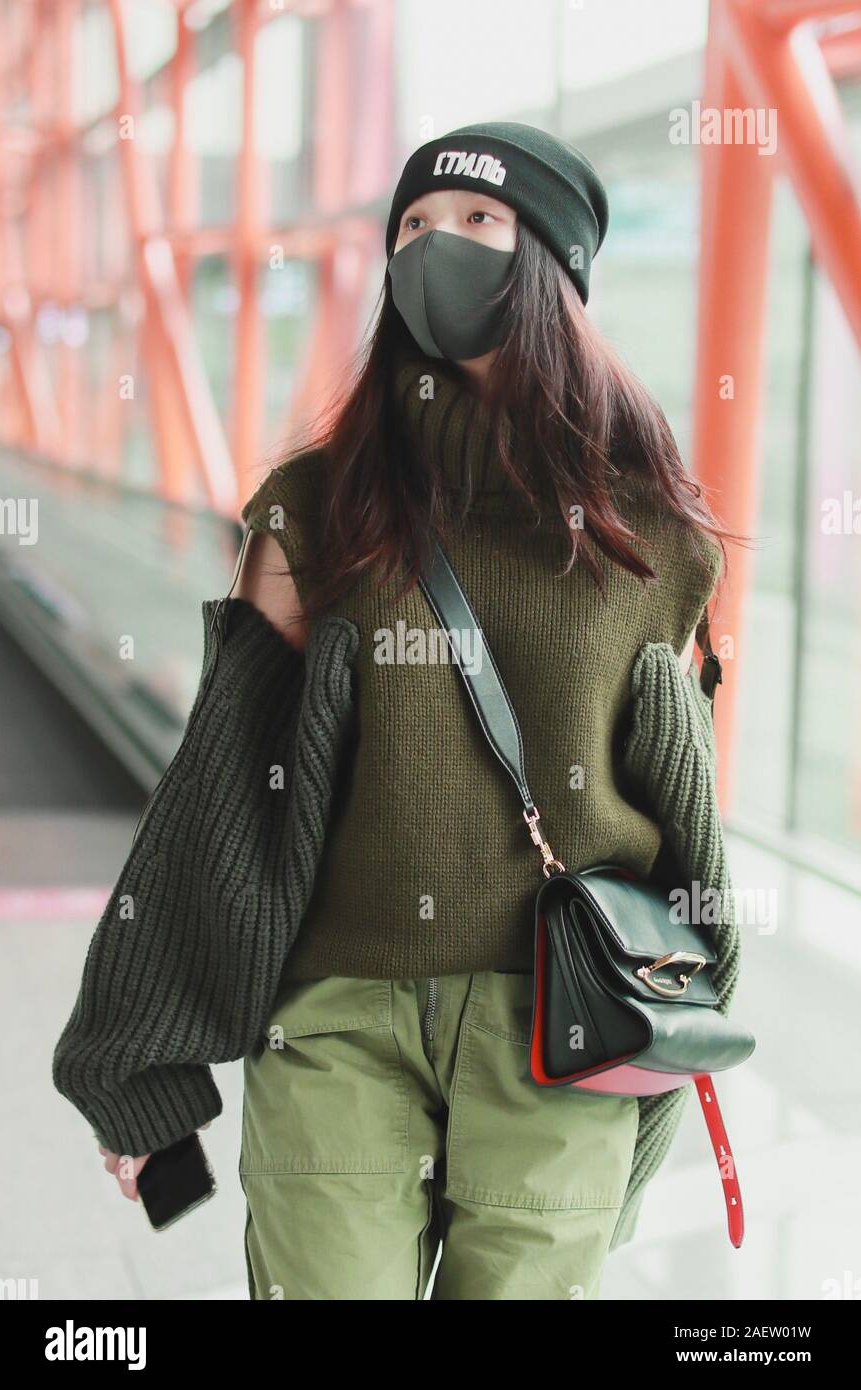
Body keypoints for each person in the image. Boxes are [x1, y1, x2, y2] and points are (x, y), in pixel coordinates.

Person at [56, 122, 737, 1301]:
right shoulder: (317, 510)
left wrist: (676, 1043)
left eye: (477, 221)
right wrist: (135, 1059)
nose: (434, 247)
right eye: (412, 226)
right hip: (335, 1021)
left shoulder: (649, 537)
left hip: (558, 1028)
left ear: (551, 269)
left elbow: (682, 814)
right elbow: (223, 782)